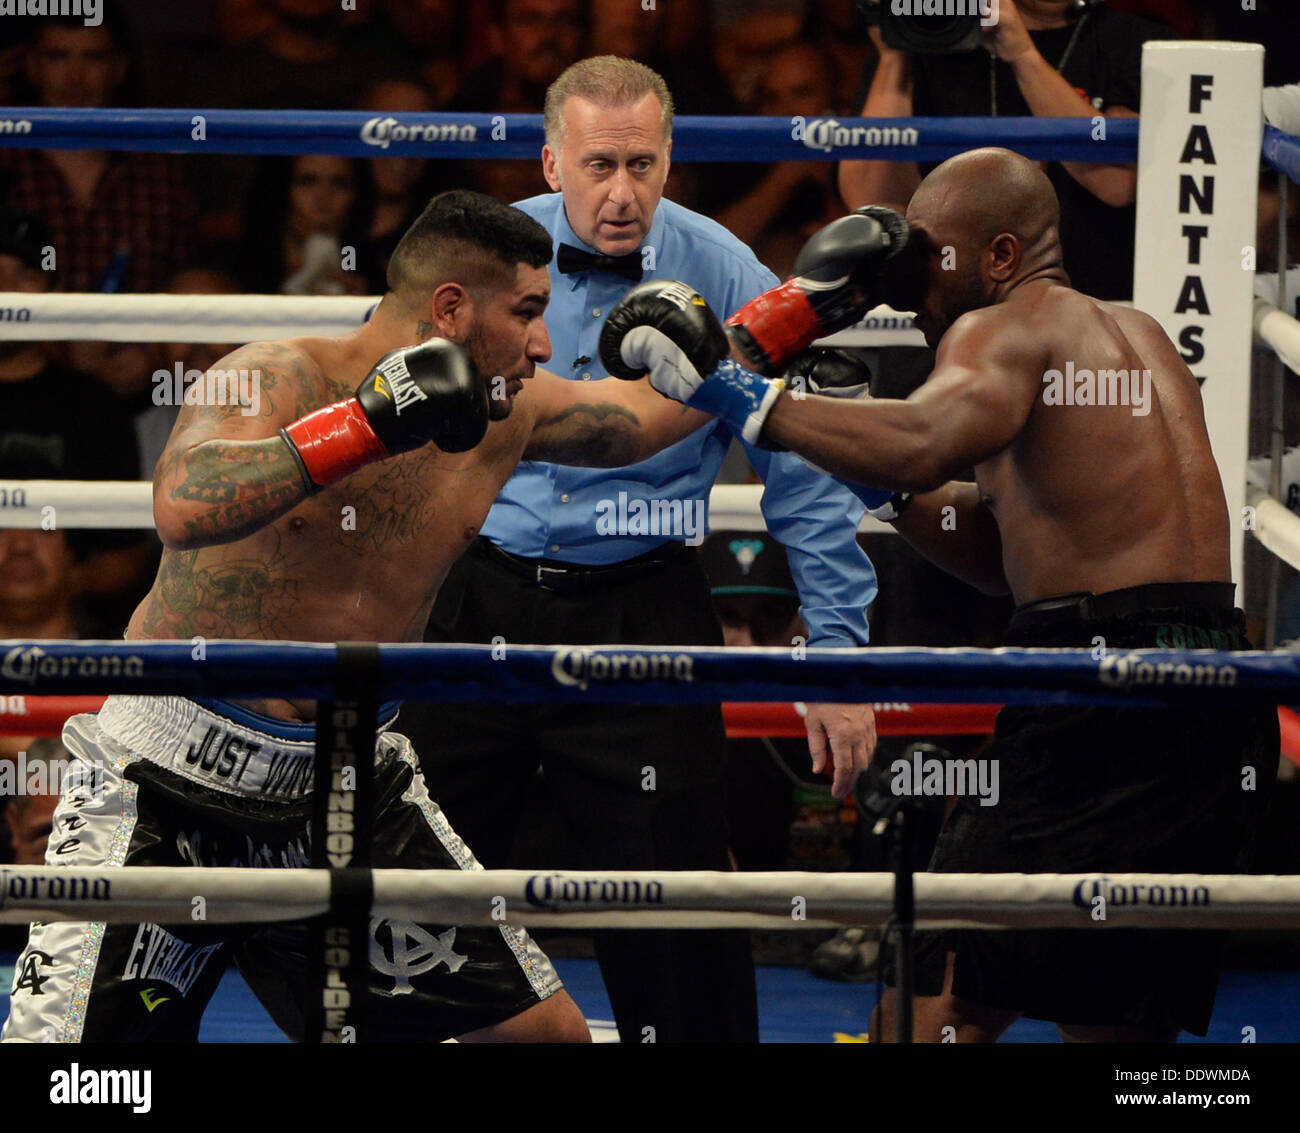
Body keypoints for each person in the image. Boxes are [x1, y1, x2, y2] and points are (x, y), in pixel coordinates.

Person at [1, 189, 719, 1045]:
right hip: (168, 775)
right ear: (450, 308)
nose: (544, 342)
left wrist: (778, 332)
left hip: (349, 782)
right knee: (74, 1077)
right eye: (527, 312)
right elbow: (182, 502)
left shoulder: (504, 416)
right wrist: (365, 425)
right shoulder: (277, 373)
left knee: (544, 1037)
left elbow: (635, 423)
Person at [604, 147, 1280, 1041]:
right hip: (1212, 687)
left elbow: (922, 439)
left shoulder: (1001, 330)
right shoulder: (1141, 335)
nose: (904, 273)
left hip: (1098, 695)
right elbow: (1009, 557)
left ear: (999, 256)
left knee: (938, 987)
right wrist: (881, 482)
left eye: (926, 249)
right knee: (1113, 1015)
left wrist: (737, 392)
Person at [398, 55, 878, 1045]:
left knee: (675, 920)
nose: (622, 194)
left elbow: (799, 467)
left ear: (671, 159)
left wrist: (833, 654)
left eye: (643, 165)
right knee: (417, 900)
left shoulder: (727, 271)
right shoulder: (479, 262)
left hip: (641, 606)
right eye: (599, 164)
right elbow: (395, 435)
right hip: (469, 604)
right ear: (550, 160)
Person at [839, 0, 1174, 300]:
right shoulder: (934, 44)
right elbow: (872, 199)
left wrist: (1022, 55)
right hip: (955, 311)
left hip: (1098, 307)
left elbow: (1116, 182)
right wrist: (895, 49)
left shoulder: (1140, 45)